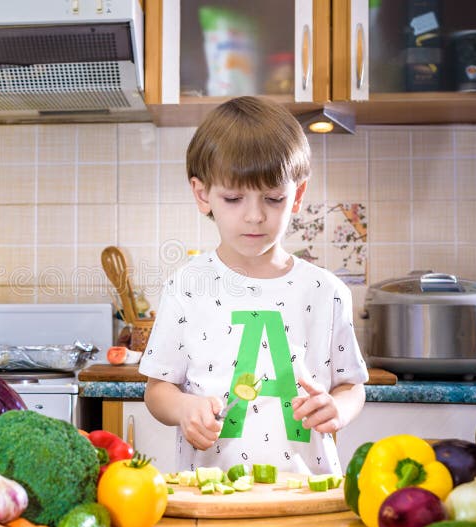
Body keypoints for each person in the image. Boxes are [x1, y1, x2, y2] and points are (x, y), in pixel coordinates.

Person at [137, 96, 368, 476]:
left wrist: (338, 409)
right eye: (233, 198)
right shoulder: (187, 287)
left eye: (274, 198)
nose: (255, 215)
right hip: (212, 494)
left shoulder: (326, 292)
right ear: (202, 194)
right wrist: (184, 409)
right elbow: (157, 391)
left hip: (306, 495)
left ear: (298, 195)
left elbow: (351, 386)